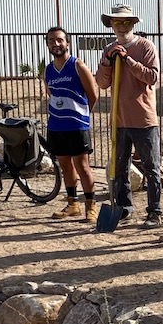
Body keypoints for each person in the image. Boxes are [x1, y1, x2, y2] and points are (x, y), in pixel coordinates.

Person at [93, 4, 162, 226]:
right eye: (117, 22)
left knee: (151, 168)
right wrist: (107, 62)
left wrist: (129, 61)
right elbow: (102, 83)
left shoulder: (146, 47)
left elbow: (152, 77)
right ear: (111, 25)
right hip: (119, 120)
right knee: (119, 168)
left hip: (143, 119)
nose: (122, 27)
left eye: (126, 22)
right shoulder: (108, 49)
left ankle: (154, 212)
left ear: (133, 24)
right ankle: (123, 208)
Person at [42, 26, 100, 222]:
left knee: (82, 166)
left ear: (67, 43)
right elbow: (51, 94)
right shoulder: (48, 70)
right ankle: (72, 204)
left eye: (59, 40)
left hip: (77, 126)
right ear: (47, 44)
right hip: (56, 126)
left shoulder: (77, 65)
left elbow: (93, 95)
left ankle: (91, 205)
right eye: (51, 41)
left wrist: (82, 115)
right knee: (65, 166)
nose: (56, 44)